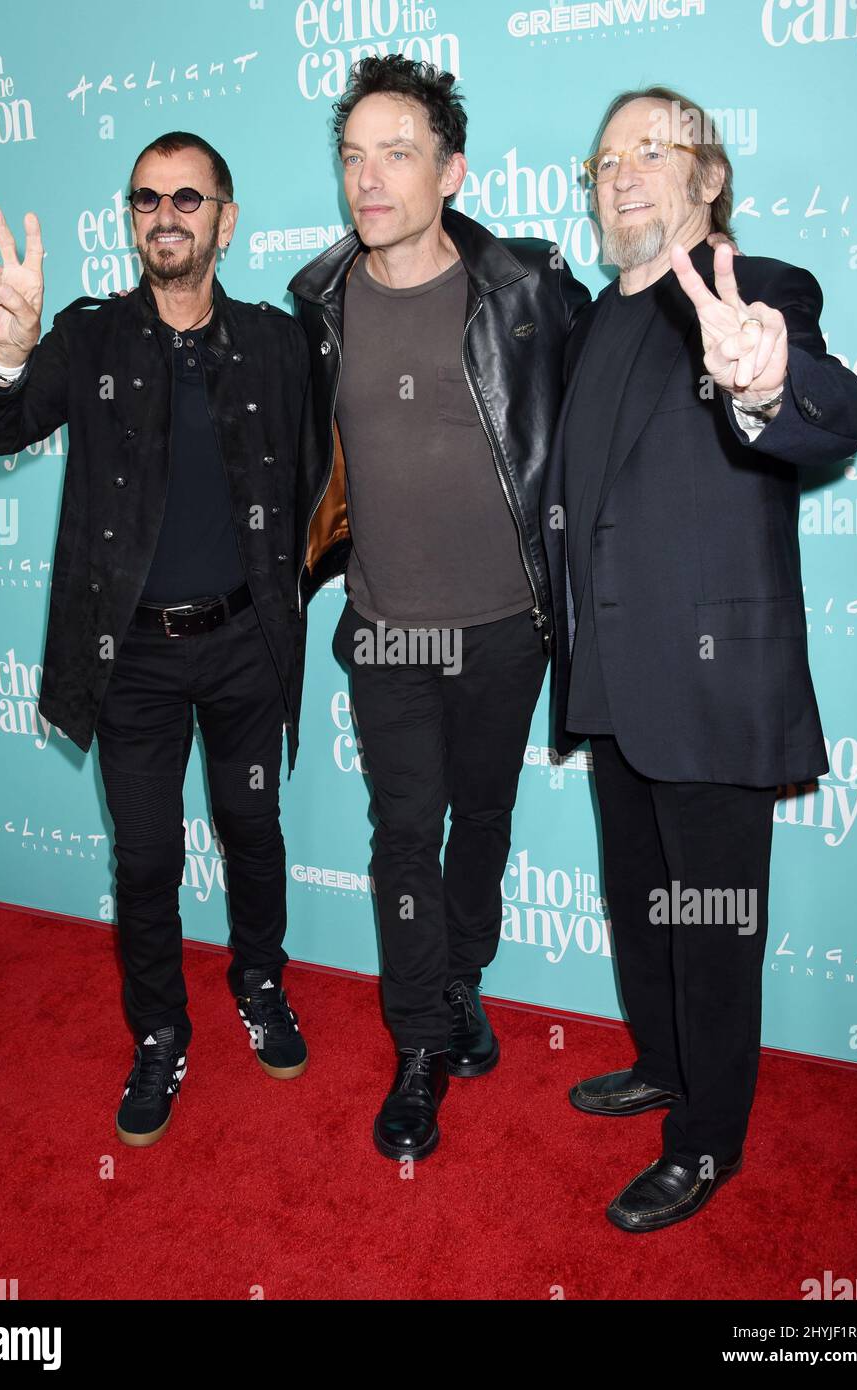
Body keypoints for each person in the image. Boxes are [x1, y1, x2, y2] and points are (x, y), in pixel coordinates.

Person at [541, 87, 857, 1230]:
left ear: (709, 176)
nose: (620, 173)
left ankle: (707, 1138)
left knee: (714, 923)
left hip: (715, 683)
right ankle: (667, 1066)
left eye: (650, 151)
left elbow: (832, 412)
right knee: (641, 905)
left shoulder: (764, 291)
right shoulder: (588, 323)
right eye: (602, 161)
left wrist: (767, 381)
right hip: (612, 684)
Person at [0, 131, 323, 1148]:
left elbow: (323, 481)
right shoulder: (88, 340)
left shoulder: (277, 344)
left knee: (254, 833)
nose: (167, 214)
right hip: (134, 657)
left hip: (247, 643)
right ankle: (160, 1030)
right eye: (147, 198)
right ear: (130, 219)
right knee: (148, 854)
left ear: (225, 218)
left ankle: (259, 984)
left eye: (189, 198)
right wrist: (12, 349)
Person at [289, 55, 590, 1161]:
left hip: (506, 624)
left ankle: (461, 979)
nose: (369, 180)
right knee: (403, 835)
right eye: (353, 157)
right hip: (387, 629)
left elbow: (609, 407)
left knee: (485, 823)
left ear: (451, 169)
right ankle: (419, 1043)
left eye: (397, 154)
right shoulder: (315, 304)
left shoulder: (527, 292)